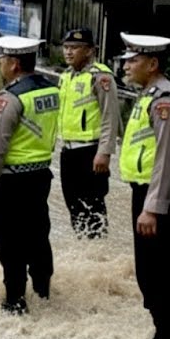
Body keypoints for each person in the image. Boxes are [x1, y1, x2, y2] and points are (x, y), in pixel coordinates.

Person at [0, 36, 59, 315]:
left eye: (2, 60)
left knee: (10, 242)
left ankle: (15, 301)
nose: (0, 64)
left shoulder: (10, 97)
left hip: (12, 181)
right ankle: (44, 293)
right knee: (38, 234)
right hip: (41, 174)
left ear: (14, 64)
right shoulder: (51, 90)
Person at [118, 33, 170, 339]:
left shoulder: (164, 100)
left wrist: (152, 208)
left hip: (156, 197)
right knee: (151, 270)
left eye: (133, 60)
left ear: (152, 64)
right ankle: (166, 332)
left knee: (156, 271)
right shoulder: (148, 96)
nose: (127, 65)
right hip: (147, 192)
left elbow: (167, 159)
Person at [56, 28, 120, 238]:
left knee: (93, 209)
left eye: (75, 48)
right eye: (66, 47)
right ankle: (84, 253)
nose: (68, 52)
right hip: (68, 152)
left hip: (90, 153)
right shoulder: (65, 77)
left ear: (90, 50)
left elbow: (110, 117)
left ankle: (99, 254)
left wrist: (105, 152)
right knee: (74, 208)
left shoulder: (100, 77)